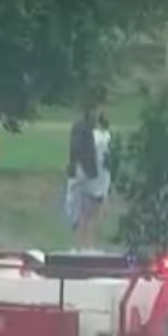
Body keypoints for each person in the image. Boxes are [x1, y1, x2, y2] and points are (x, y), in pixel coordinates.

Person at [66, 95, 103, 250]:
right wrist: (90, 170)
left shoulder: (79, 127)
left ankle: (82, 244)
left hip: (79, 170)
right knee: (85, 209)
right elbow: (83, 151)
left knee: (80, 209)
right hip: (84, 171)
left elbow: (74, 150)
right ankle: (84, 245)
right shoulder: (87, 129)